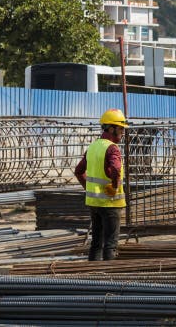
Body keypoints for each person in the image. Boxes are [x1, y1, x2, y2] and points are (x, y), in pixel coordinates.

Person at [74, 108, 128, 261]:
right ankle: (108, 281)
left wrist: (88, 188)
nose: (123, 132)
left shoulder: (93, 147)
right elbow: (116, 168)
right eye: (121, 128)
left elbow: (78, 171)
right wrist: (114, 186)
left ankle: (94, 281)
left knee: (96, 243)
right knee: (110, 245)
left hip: (94, 203)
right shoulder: (112, 148)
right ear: (111, 128)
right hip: (110, 203)